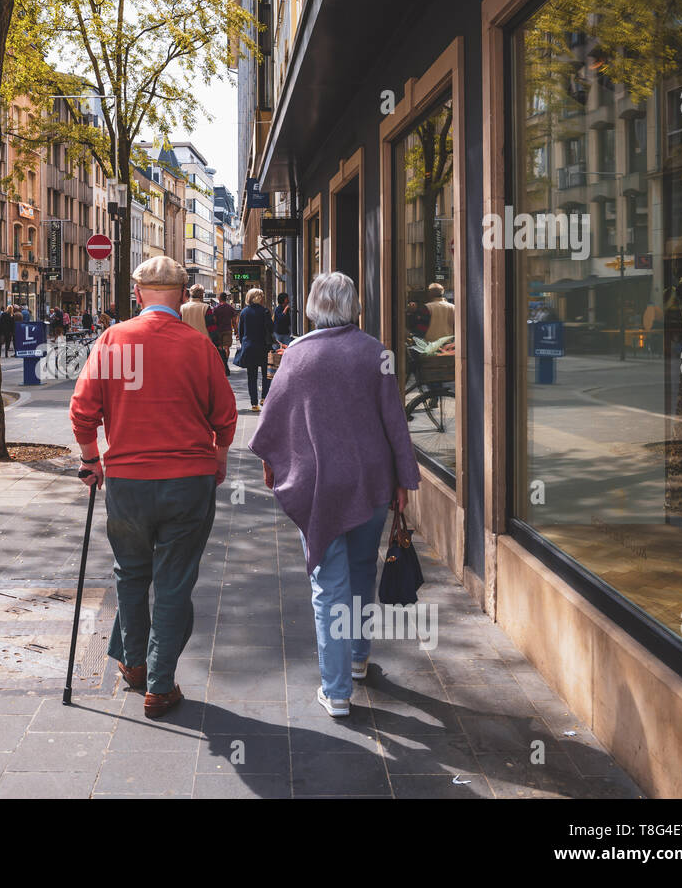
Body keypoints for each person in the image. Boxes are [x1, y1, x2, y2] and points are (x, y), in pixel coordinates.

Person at [70, 256, 237, 720]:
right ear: (183, 297)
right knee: (174, 581)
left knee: (130, 571)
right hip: (188, 480)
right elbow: (225, 416)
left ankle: (135, 664)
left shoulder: (112, 341)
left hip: (128, 481)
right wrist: (219, 460)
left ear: (138, 294)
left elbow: (83, 413)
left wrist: (91, 460)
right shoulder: (199, 346)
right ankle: (160, 686)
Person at [248, 272, 420, 718]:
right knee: (362, 571)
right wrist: (405, 481)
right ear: (354, 306)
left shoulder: (297, 355)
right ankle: (359, 658)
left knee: (329, 585)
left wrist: (273, 464)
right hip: (371, 483)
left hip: (318, 484)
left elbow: (271, 420)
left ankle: (337, 689)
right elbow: (394, 422)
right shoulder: (376, 353)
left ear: (312, 306)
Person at [237, 287, 274, 411]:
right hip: (264, 346)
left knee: (251, 376)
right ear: (260, 298)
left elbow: (240, 331)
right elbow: (270, 329)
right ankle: (264, 398)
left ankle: (254, 404)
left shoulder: (244, 312)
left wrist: (244, 342)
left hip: (249, 347)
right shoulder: (265, 311)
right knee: (266, 374)